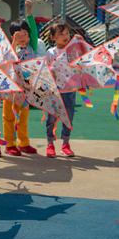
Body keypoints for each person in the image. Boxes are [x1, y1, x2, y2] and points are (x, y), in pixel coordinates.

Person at [3, 19, 38, 156]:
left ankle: (23, 143)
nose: (23, 38)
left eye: (25, 34)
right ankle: (10, 144)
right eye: (19, 35)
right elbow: (7, 60)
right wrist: (14, 43)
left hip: (25, 90)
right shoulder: (10, 49)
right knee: (9, 117)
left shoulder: (31, 49)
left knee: (23, 117)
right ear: (13, 37)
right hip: (11, 89)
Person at [44, 22, 78, 158]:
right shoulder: (50, 53)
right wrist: (50, 73)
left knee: (68, 118)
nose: (65, 36)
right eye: (61, 34)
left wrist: (79, 43)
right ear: (53, 38)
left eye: (67, 33)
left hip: (70, 90)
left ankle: (65, 144)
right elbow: (45, 71)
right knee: (51, 118)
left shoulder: (73, 50)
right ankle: (50, 144)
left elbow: (80, 62)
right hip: (54, 91)